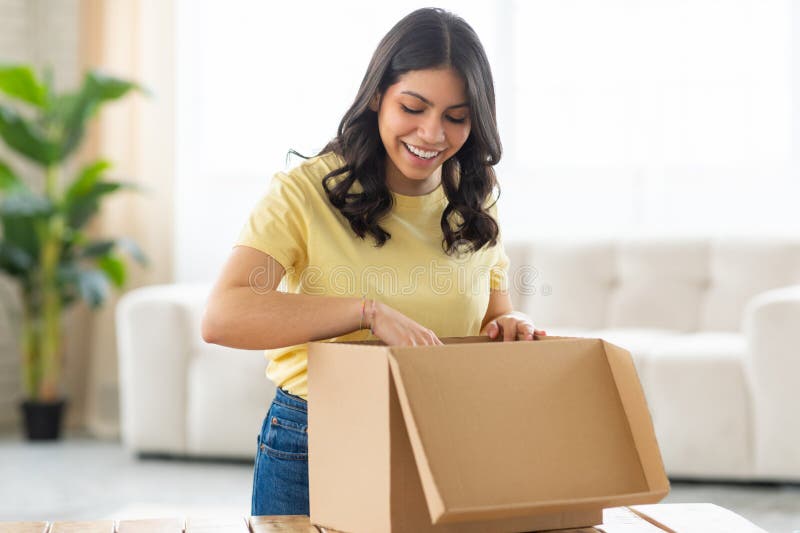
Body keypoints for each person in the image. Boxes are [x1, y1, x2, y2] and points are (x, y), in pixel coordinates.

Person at [201, 6, 546, 518]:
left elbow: (492, 317)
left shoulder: (474, 199)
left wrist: (512, 325)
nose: (432, 134)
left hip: (444, 435)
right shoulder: (306, 192)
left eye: (456, 117)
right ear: (378, 96)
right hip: (319, 437)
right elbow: (223, 315)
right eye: (414, 107)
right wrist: (366, 311)